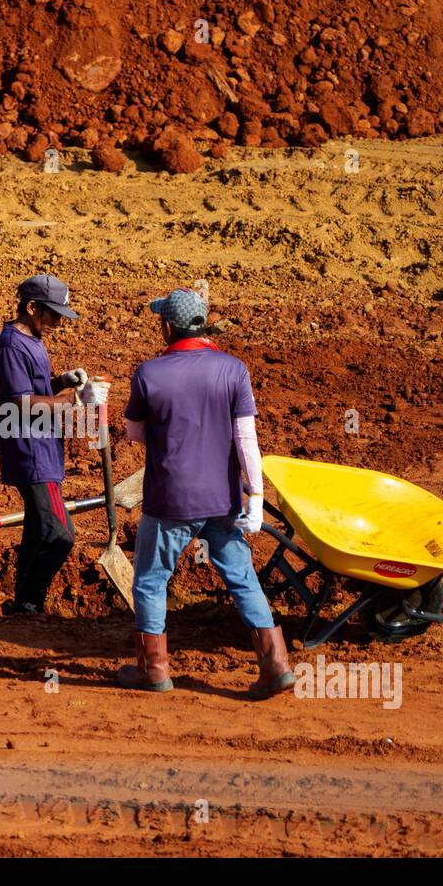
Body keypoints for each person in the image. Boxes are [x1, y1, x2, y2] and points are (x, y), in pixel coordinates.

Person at [118, 287, 294, 698]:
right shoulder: (233, 369)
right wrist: (254, 495)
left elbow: (134, 432)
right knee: (242, 577)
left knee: (149, 580)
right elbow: (245, 438)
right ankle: (276, 664)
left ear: (166, 326)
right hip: (223, 498)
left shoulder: (149, 373)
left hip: (169, 499)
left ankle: (156, 670)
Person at [0, 274, 106, 616]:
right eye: (53, 313)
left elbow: (34, 389)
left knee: (38, 529)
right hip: (31, 451)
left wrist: (60, 382)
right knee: (59, 534)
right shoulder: (12, 345)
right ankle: (30, 602)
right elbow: (21, 403)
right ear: (30, 307)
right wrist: (76, 400)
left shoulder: (33, 340)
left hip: (43, 447)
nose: (59, 321)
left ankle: (21, 602)